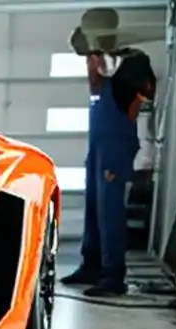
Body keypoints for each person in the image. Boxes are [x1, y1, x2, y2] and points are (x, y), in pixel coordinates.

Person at [61, 47, 156, 297]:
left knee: (109, 213)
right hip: (99, 151)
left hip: (113, 151)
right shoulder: (105, 87)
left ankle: (114, 276)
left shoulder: (130, 74)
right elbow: (96, 88)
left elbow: (135, 109)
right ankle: (91, 266)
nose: (91, 68)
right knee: (93, 209)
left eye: (92, 62)